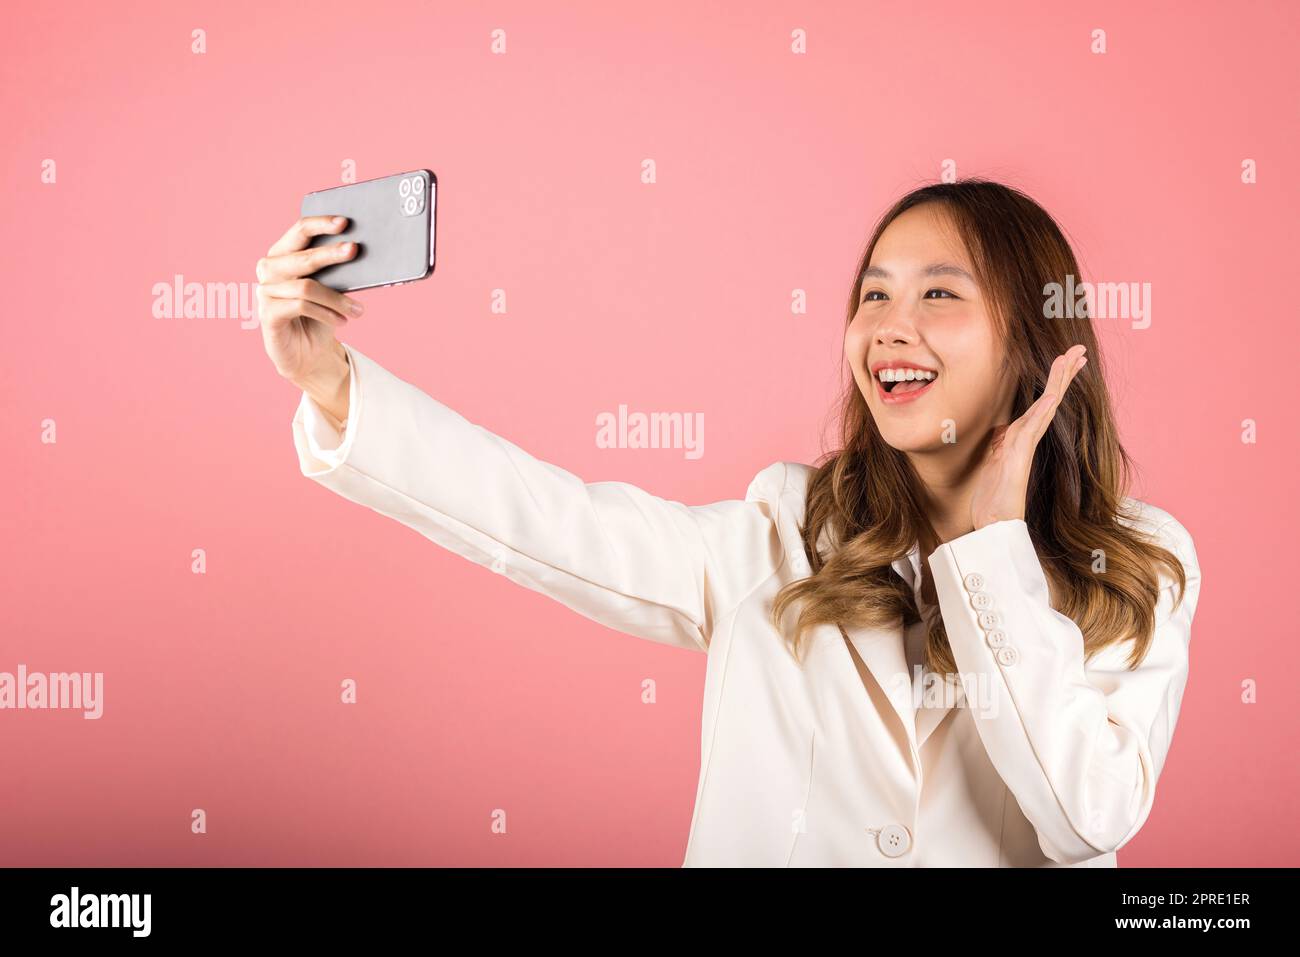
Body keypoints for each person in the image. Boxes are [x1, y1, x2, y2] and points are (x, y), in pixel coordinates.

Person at [255, 178, 1200, 867]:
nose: (888, 326)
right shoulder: (780, 530)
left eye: (938, 294)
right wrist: (334, 386)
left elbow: (1086, 818)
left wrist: (993, 552)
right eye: (873, 293)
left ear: (1031, 337)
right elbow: (549, 523)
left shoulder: (1143, 564)